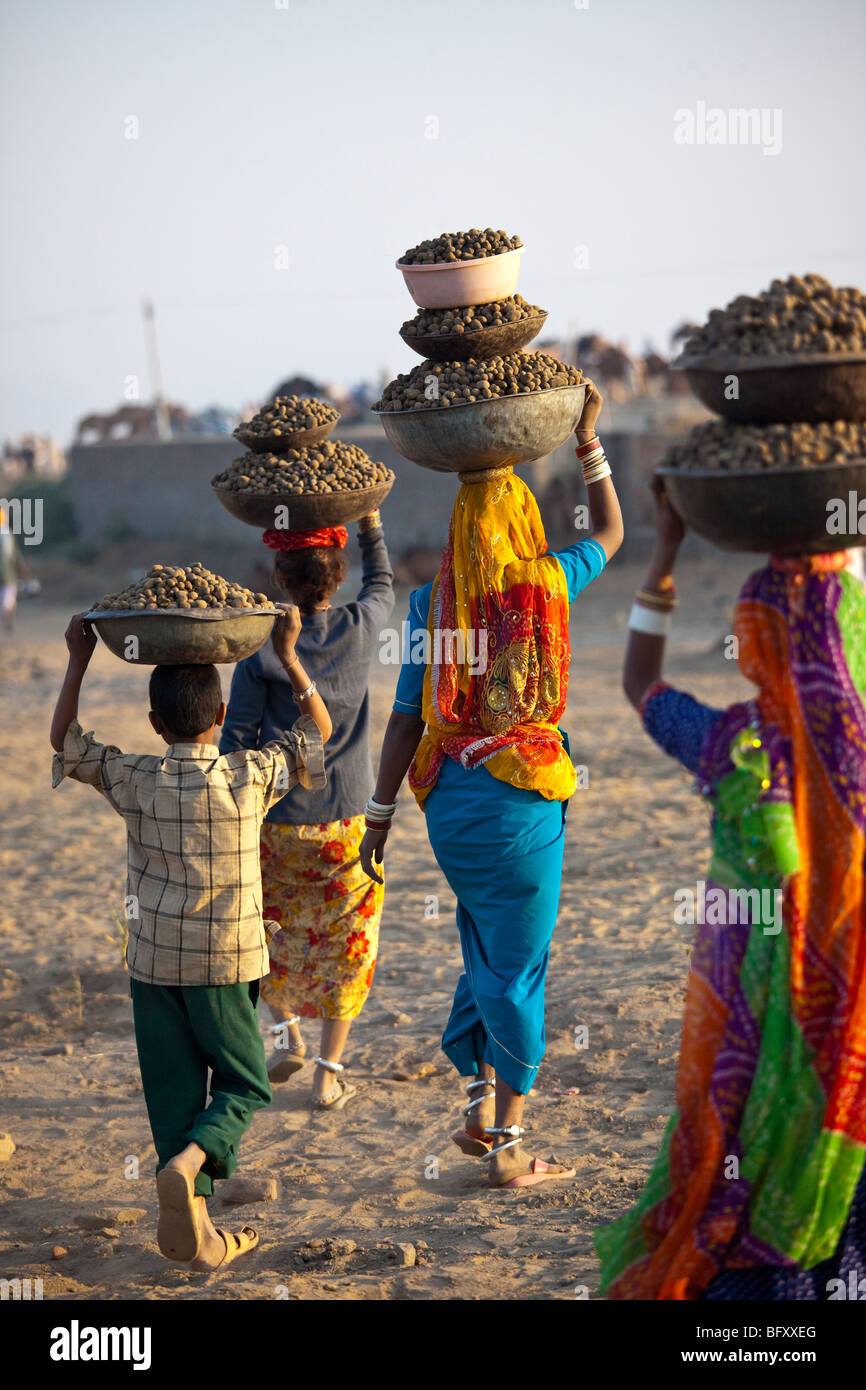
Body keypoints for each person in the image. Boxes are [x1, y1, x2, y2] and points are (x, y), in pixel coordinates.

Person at [595, 480, 866, 1299]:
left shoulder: (735, 747)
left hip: (756, 1038)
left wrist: (668, 548)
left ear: (756, 641)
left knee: (744, 1185)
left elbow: (639, 684)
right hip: (853, 1041)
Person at [360, 384, 624, 1188]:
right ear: (520, 524)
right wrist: (587, 439)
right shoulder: (546, 582)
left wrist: (377, 819)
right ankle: (509, 1144)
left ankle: (479, 1101)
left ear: (455, 533)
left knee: (481, 942)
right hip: (524, 807)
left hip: (449, 808)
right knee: (518, 965)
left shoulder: (429, 604)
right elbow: (611, 530)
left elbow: (406, 721)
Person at [50, 609, 331, 1271]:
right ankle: (195, 1162)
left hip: (154, 967)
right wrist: (290, 656)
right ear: (223, 712)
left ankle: (199, 1228)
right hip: (229, 966)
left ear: (155, 724)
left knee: (174, 1094)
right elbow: (318, 731)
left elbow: (66, 739)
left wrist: (78, 659)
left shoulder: (138, 778)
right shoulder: (250, 774)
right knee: (244, 1086)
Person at [220, 511, 394, 1110]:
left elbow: (236, 742)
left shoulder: (260, 651)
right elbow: (385, 584)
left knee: (268, 927)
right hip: (351, 821)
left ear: (279, 578)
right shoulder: (363, 626)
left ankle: (286, 1033)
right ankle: (327, 1073)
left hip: (276, 822)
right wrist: (371, 523)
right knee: (350, 935)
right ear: (337, 577)